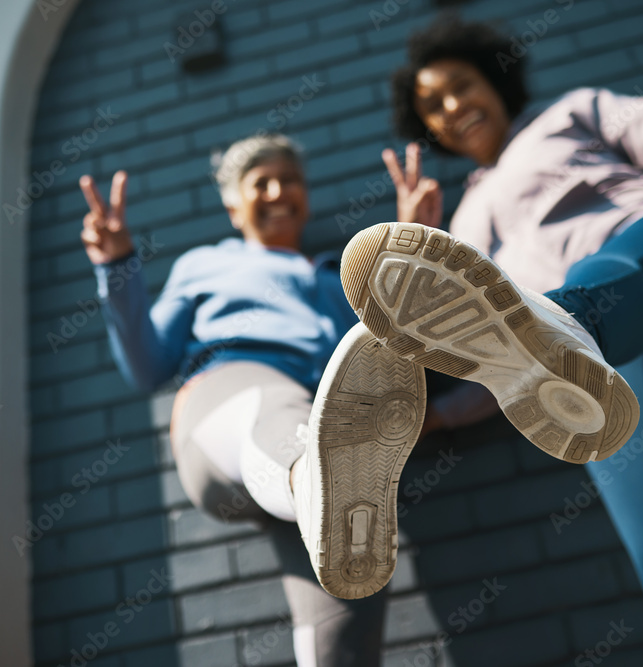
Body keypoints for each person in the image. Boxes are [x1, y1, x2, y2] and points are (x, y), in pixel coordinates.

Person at [359, 13, 643, 666]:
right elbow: (500, 366)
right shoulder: (460, 228)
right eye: (432, 107)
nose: (452, 107)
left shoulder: (572, 114)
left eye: (460, 85)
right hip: (604, 362)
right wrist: (431, 411)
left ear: (494, 79)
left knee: (593, 283)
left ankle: (568, 323)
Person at [79, 134, 427, 666]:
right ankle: (316, 479)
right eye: (260, 182)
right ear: (232, 205)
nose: (277, 190)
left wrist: (413, 250)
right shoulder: (204, 265)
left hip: (310, 430)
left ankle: (318, 486)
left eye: (289, 179)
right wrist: (117, 265)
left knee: (350, 603)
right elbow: (146, 366)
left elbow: (400, 357)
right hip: (227, 406)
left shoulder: (340, 280)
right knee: (288, 418)